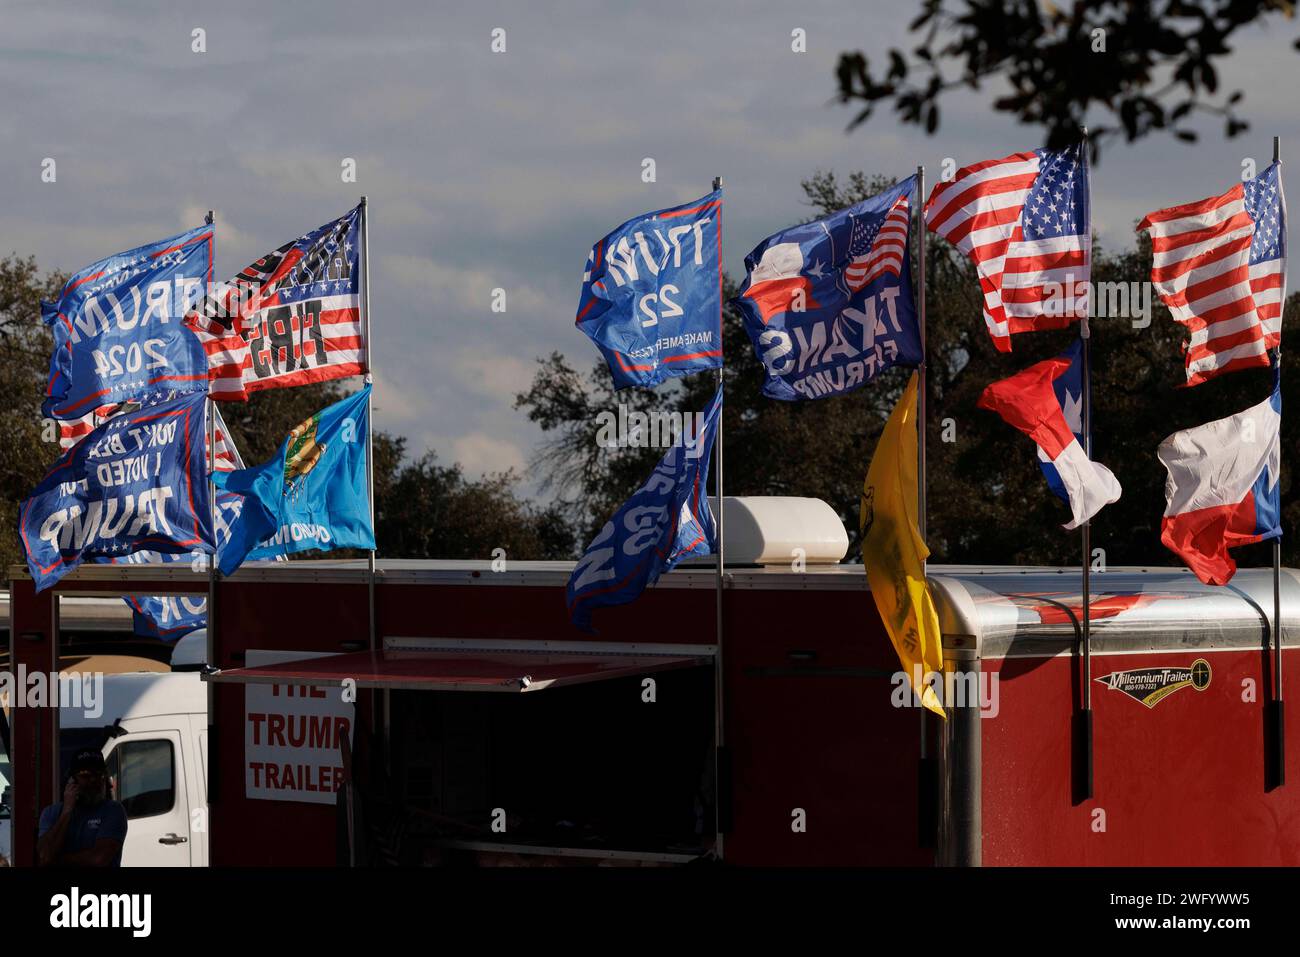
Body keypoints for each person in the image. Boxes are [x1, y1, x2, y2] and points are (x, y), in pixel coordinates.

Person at [37, 749, 127, 867]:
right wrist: (66, 811)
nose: (93, 780)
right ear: (72, 781)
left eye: (99, 774)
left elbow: (98, 859)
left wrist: (57, 860)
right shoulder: (51, 813)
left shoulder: (113, 810)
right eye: (86, 775)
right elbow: (45, 856)